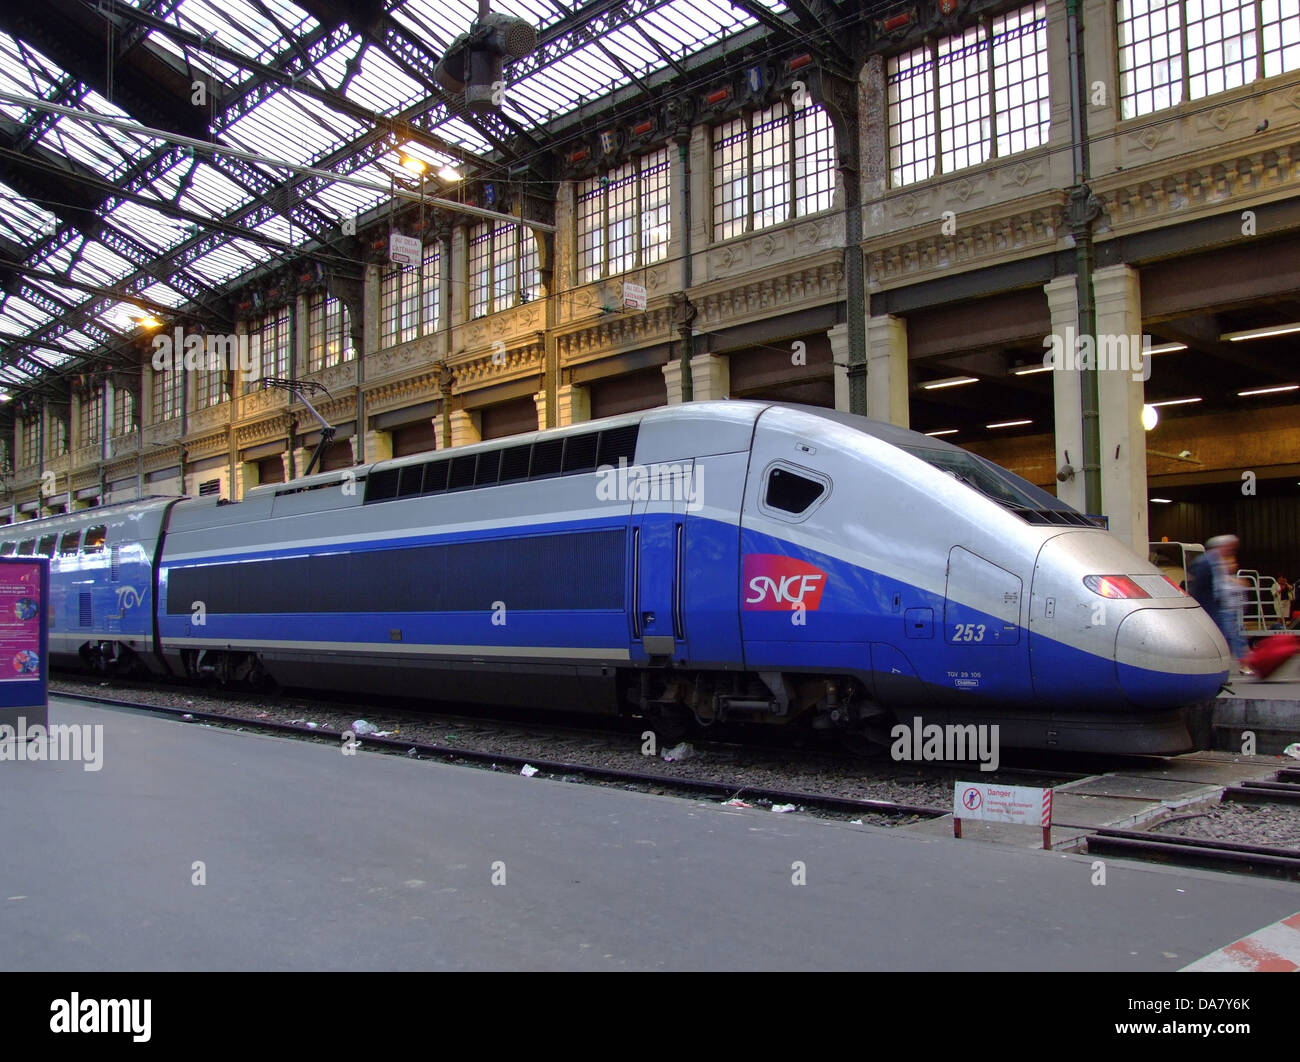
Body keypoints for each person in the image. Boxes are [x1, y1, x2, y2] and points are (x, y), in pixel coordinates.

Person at [1188, 535, 1250, 675]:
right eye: (1229, 547)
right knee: (1224, 637)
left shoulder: (1215, 561)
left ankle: (1220, 668)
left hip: (1217, 606)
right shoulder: (1207, 562)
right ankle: (1216, 669)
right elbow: (1203, 587)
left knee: (1226, 637)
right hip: (1211, 606)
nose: (1231, 550)